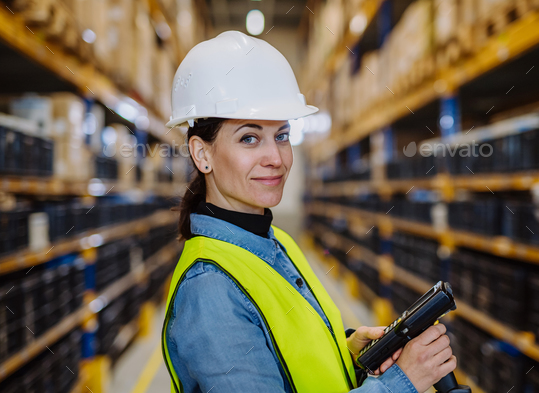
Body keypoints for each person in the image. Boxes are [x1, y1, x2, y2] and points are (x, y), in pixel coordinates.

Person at [161, 30, 457, 393]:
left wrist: (344, 352)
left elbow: (286, 359)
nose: (275, 158)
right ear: (201, 154)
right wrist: (400, 383)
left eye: (282, 135)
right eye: (249, 138)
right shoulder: (209, 288)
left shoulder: (274, 242)